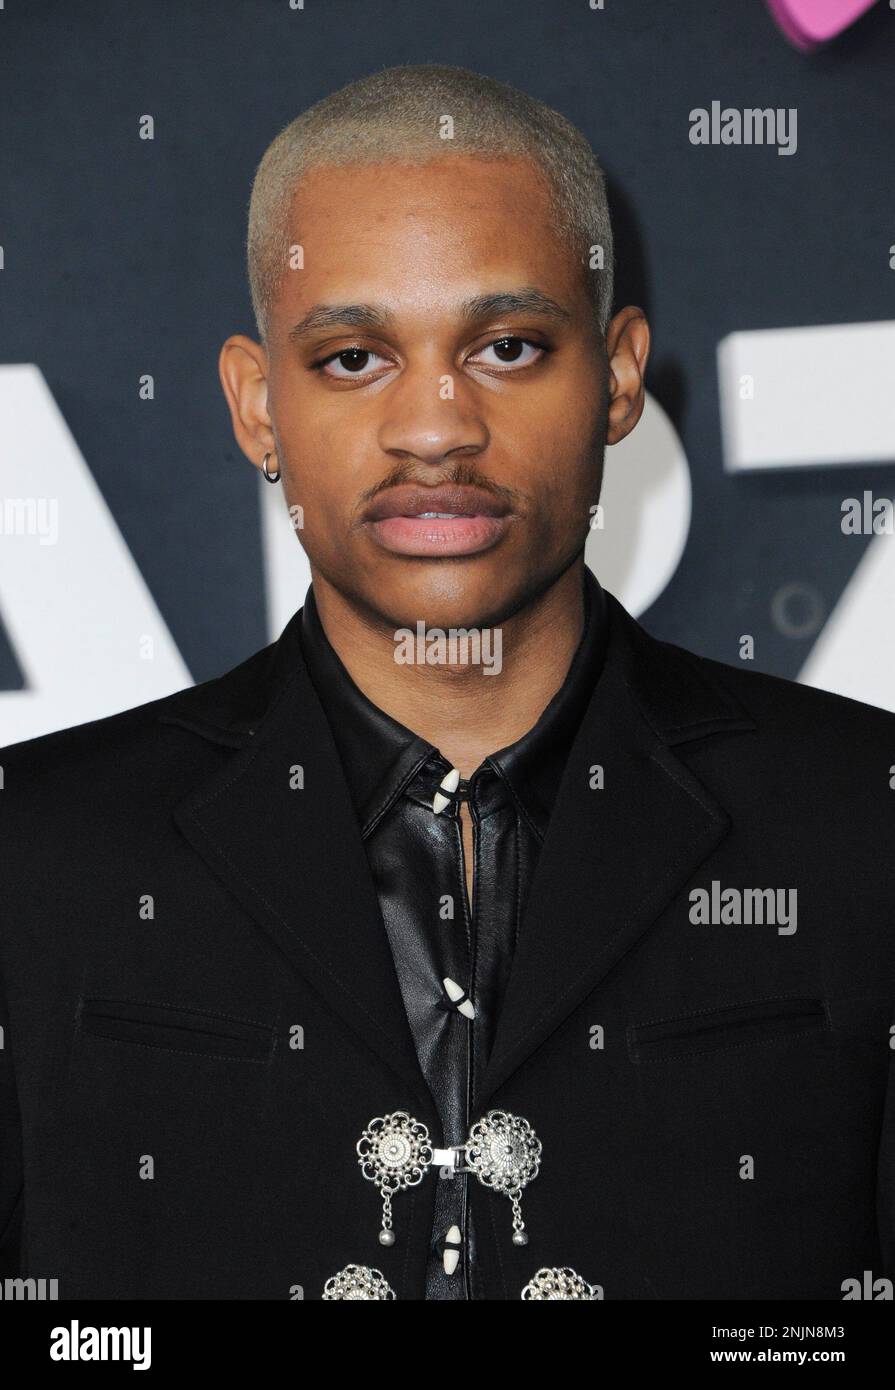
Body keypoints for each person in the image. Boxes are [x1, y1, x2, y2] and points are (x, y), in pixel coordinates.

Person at [1, 63, 893, 1301]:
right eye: (357, 357)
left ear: (620, 379)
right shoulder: (37, 849)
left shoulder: (861, 819)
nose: (436, 429)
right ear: (259, 410)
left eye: (509, 346)